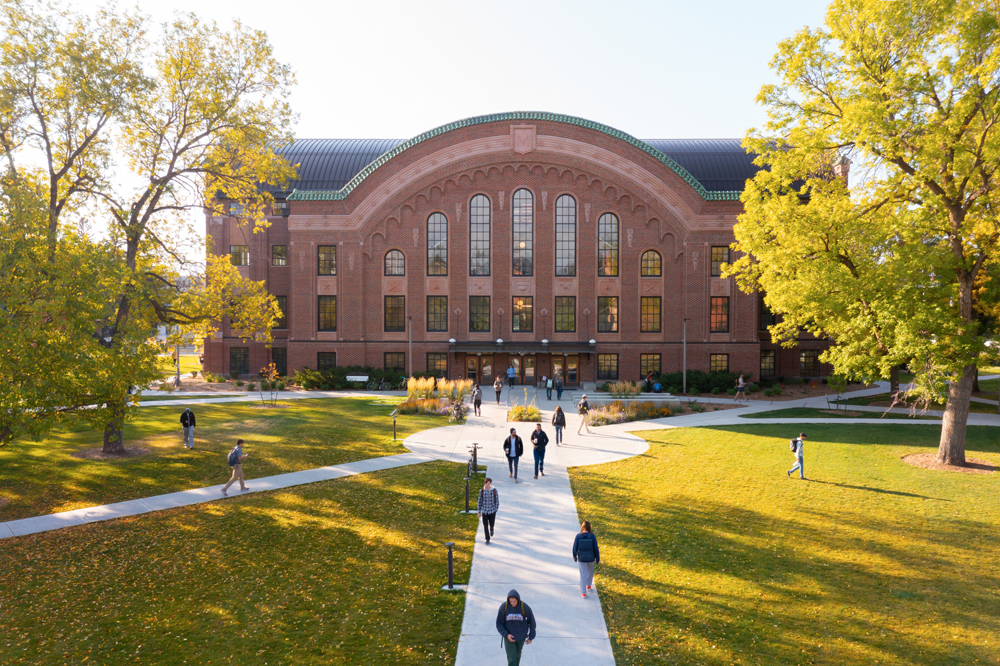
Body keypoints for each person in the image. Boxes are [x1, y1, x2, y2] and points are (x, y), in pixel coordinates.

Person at [495, 589, 536, 666]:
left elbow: (532, 622)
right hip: (509, 637)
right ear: (508, 600)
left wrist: (531, 637)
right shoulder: (504, 607)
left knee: (517, 656)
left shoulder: (524, 607)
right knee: (511, 659)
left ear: (518, 599)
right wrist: (506, 635)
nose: (513, 603)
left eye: (515, 601)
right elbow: (499, 623)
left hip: (521, 637)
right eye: (511, 601)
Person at [572, 521, 601, 598]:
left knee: (583, 574)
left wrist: (574, 556)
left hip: (582, 558)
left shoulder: (578, 536)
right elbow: (596, 548)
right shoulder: (592, 536)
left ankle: (583, 593)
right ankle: (588, 585)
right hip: (591, 558)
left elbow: (575, 547)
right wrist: (597, 558)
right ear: (589, 527)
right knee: (590, 572)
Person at [477, 477, 499, 544]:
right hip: (485, 511)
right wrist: (479, 511)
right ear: (485, 483)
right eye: (486, 483)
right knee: (485, 525)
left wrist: (496, 509)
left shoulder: (494, 490)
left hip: (492, 510)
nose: (487, 484)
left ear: (490, 483)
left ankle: (492, 528)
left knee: (491, 523)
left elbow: (497, 500)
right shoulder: (482, 491)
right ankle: (487, 539)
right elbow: (479, 501)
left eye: (489, 483)